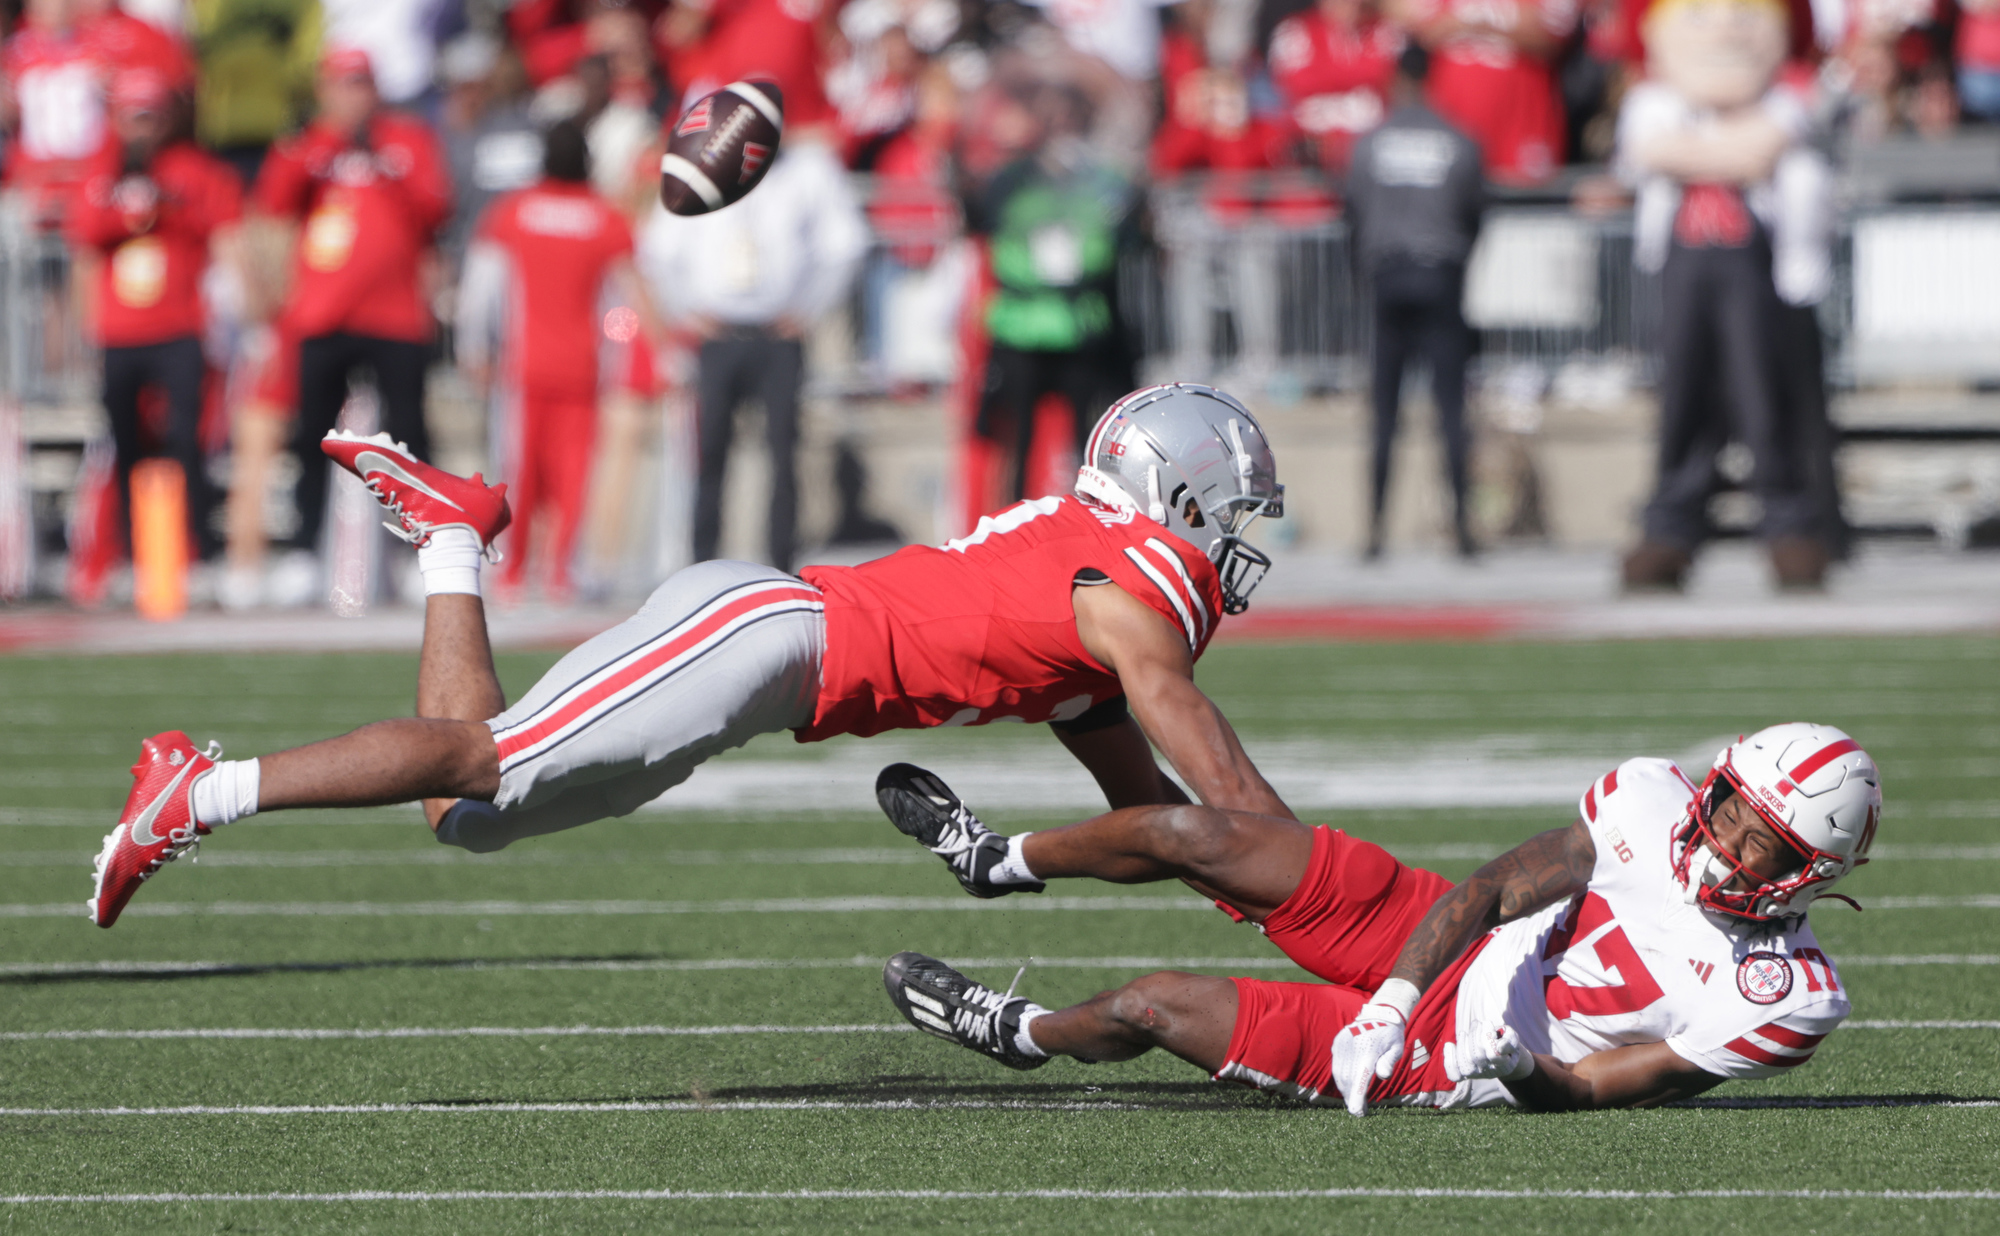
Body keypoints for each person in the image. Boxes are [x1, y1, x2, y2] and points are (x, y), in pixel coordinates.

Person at [88, 384, 1289, 927]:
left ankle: (453, 539)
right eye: (1228, 511)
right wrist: (1320, 887)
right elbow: (1227, 800)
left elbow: (1158, 821)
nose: (1230, 544)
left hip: (761, 671)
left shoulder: (1089, 610)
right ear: (1170, 495)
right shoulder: (1132, 592)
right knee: (479, 759)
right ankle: (198, 793)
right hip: (764, 635)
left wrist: (1238, 891)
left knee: (469, 814)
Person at [878, 722, 1880, 1113]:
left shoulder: (1782, 995)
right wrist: (1394, 996)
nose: (1715, 839)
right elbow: (1490, 887)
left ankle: (1014, 1032)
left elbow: (1590, 1088)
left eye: (1754, 841)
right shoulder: (1649, 798)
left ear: (1805, 872)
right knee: (1197, 834)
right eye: (1723, 807)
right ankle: (993, 859)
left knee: (1151, 1006)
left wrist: (1511, 1066)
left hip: (1455, 1052)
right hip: (1445, 941)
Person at [251, 46, 451, 587]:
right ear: (325, 91)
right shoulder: (307, 143)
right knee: (313, 433)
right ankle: (301, 555)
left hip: (397, 313)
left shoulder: (406, 140)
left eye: (361, 84)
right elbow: (275, 202)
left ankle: (422, 554)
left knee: (410, 436)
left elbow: (436, 206)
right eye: (342, 85)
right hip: (322, 313)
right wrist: (320, 149)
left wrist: (383, 161)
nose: (352, 96)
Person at [638, 128, 867, 573]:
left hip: (777, 335)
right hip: (718, 338)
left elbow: (846, 245)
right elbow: (658, 253)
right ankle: (701, 566)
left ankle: (782, 565)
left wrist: (809, 307)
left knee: (783, 453)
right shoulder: (701, 169)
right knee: (709, 455)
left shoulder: (806, 169)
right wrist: (686, 310)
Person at [456, 119, 663, 596]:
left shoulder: (513, 212)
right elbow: (627, 295)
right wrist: (648, 349)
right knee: (574, 474)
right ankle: (560, 573)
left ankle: (510, 572)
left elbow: (481, 290)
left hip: (523, 368)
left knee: (519, 471)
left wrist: (474, 348)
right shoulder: (605, 219)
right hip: (585, 369)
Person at [68, 68, 244, 571]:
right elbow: (85, 249)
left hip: (179, 328)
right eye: (132, 117)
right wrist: (86, 331)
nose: (142, 128)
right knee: (124, 443)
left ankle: (197, 549)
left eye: (150, 116)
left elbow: (224, 236)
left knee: (188, 438)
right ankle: (131, 551)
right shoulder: (99, 175)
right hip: (119, 332)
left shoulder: (195, 171)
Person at [1346, 43, 1485, 560]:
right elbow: (1476, 212)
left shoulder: (1370, 143)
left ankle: (1376, 532)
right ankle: (1464, 532)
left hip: (1387, 275)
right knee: (1450, 410)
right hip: (1441, 273)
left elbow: (1352, 213)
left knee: (1385, 414)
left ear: (1394, 77)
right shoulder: (1458, 139)